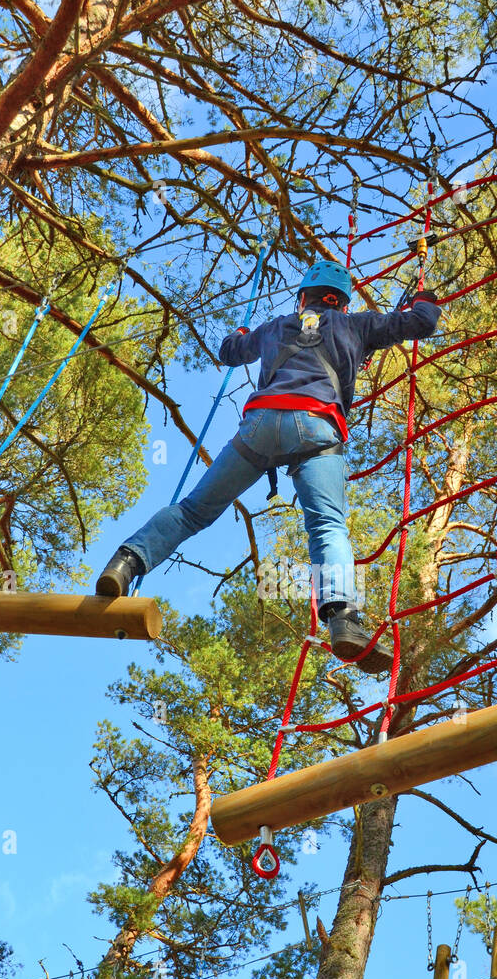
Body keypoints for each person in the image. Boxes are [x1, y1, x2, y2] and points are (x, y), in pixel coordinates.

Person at [96, 259, 440, 674]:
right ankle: (344, 620)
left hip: (260, 425)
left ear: (304, 297)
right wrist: (425, 299)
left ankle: (126, 562)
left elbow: (229, 351)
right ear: (343, 302)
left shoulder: (278, 325)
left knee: (192, 511)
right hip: (317, 426)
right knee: (328, 526)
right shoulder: (359, 326)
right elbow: (421, 323)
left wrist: (241, 336)